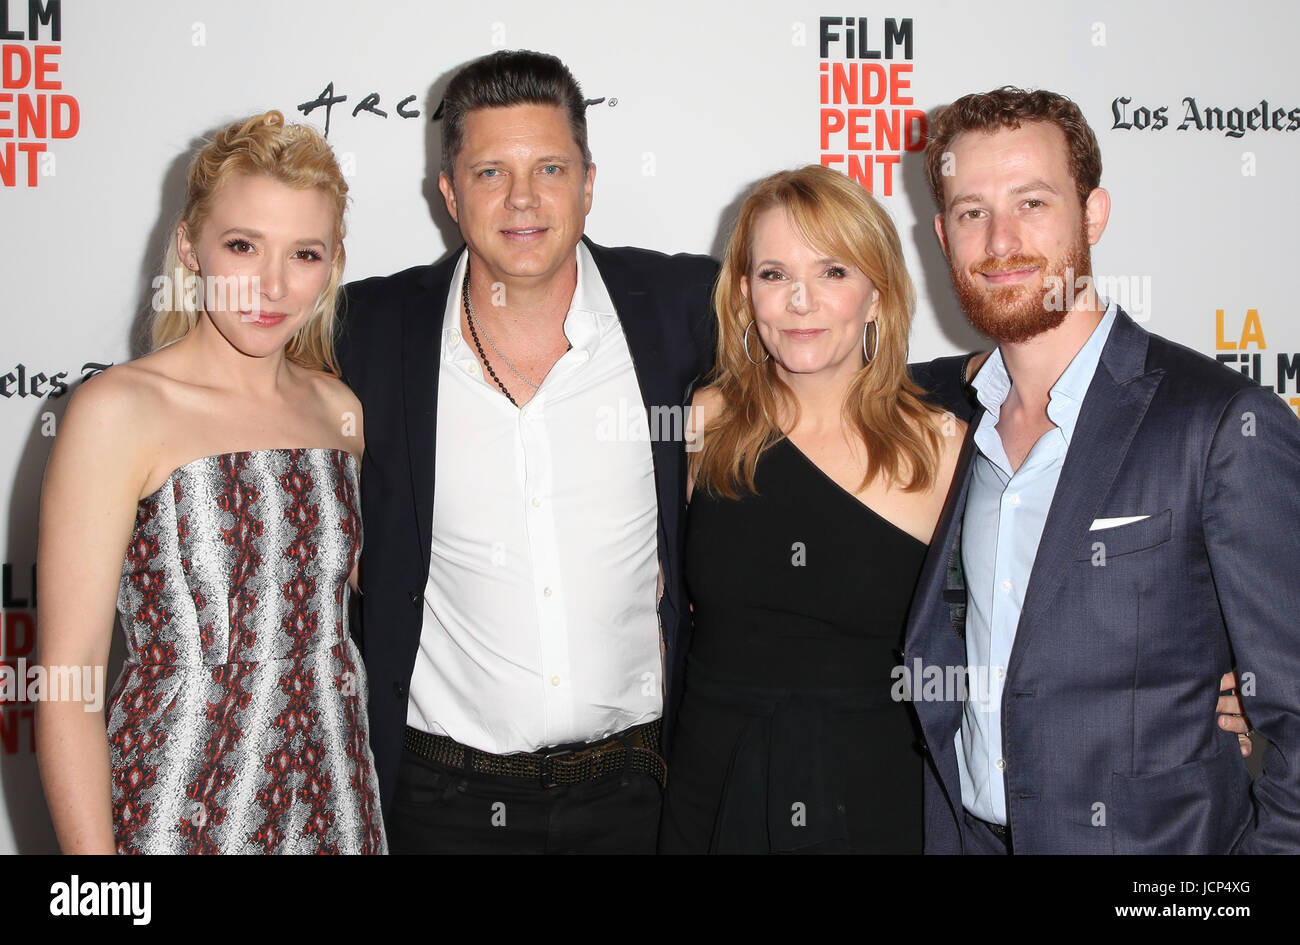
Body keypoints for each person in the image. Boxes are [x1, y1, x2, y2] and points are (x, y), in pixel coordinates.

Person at [337, 50, 716, 853]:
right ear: (448, 192)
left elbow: (834, 345)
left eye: (549, 166)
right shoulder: (367, 330)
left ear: (587, 180)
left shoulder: (685, 309)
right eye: (488, 173)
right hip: (436, 800)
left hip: (637, 792)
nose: (523, 199)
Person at [905, 86, 1300, 854]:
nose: (1001, 240)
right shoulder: (942, 414)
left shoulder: (1220, 424)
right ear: (942, 235)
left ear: (1092, 215)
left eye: (1033, 203)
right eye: (971, 211)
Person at [36, 111, 386, 854]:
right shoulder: (116, 413)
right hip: (175, 809)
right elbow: (67, 691)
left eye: (304, 253)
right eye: (242, 245)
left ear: (333, 264)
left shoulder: (339, 409)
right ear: (191, 246)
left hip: (337, 801)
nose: (272, 284)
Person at [657, 165, 967, 853]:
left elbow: (1019, 624)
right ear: (745, 295)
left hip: (877, 789)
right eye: (773, 274)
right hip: (713, 778)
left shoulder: (942, 446)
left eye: (832, 271)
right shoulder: (704, 423)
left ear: (876, 293)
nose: (801, 301)